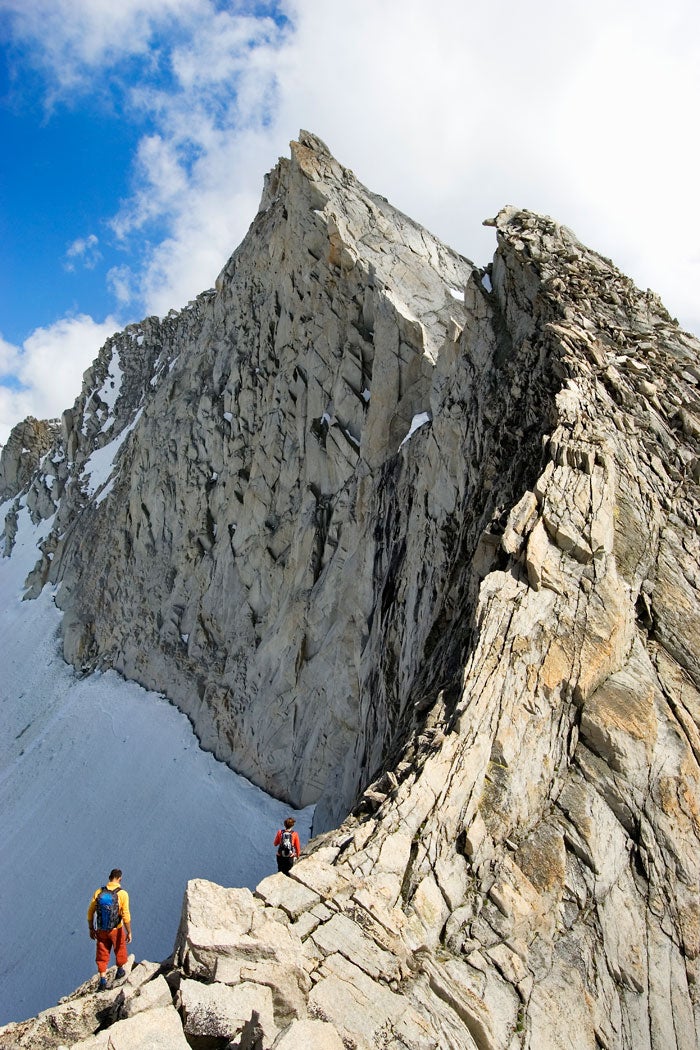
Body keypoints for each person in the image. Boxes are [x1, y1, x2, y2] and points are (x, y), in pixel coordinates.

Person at [87, 868, 132, 990]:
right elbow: (125, 915)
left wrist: (91, 928)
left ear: (109, 877)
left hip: (101, 929)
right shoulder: (122, 894)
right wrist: (129, 932)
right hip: (116, 929)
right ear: (120, 879)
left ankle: (102, 979)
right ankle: (120, 970)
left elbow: (90, 912)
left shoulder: (99, 892)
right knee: (120, 947)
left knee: (102, 952)